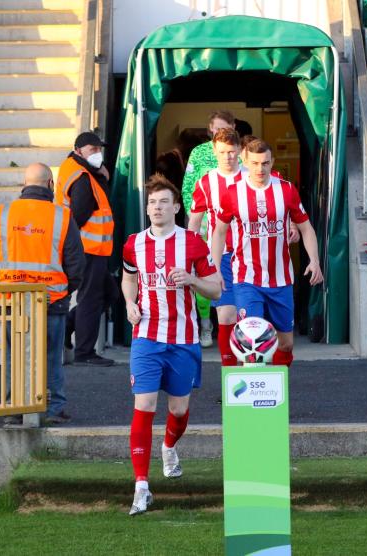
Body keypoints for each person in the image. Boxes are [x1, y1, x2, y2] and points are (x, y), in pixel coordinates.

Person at [121, 174, 222, 516]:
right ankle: (141, 486)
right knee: (144, 406)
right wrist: (129, 304)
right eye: (152, 202)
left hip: (183, 339)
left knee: (178, 411)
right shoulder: (133, 243)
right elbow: (128, 278)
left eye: (163, 202)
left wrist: (192, 279)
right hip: (146, 337)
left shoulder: (193, 242)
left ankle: (169, 447)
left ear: (176, 207)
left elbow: (216, 290)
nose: (156, 208)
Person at [0, 163, 85, 425]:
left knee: (13, 357)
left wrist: (3, 283)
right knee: (50, 358)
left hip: (10, 301)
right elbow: (76, 265)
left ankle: (14, 409)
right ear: (50, 184)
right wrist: (64, 290)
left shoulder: (4, 214)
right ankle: (52, 408)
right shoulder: (61, 216)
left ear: (24, 185)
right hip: (51, 301)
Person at [211, 139, 323, 369]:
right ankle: (252, 398)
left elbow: (306, 228)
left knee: (286, 345)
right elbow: (219, 231)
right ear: (245, 162)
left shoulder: (286, 190)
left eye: (265, 163)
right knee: (251, 342)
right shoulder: (233, 193)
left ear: (272, 162)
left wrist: (315, 260)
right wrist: (215, 268)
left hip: (280, 279)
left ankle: (276, 392)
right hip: (246, 279)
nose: (260, 169)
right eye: (254, 163)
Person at [57, 131, 117, 367]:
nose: (97, 153)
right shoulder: (81, 176)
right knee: (91, 298)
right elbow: (80, 214)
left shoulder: (77, 169)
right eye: (93, 150)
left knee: (109, 294)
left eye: (99, 149)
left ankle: (67, 327)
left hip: (92, 248)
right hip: (87, 248)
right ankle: (84, 352)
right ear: (79, 150)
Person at [187, 127, 245, 367]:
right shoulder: (206, 182)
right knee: (226, 315)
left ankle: (252, 373)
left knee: (249, 318)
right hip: (220, 257)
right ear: (214, 151)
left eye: (232, 152)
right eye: (222, 152)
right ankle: (230, 376)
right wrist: (188, 256)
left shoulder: (252, 176)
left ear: (240, 151)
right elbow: (194, 222)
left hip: (251, 257)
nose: (228, 157)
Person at [181, 110, 236, 347]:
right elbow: (188, 188)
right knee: (204, 276)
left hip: (239, 237)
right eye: (215, 129)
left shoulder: (242, 155)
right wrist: (195, 221)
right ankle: (205, 323)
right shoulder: (199, 153)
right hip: (206, 229)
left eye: (224, 128)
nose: (219, 133)